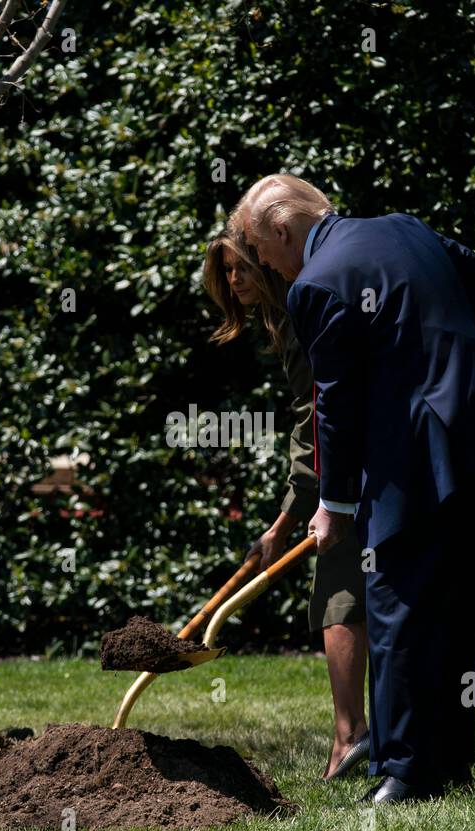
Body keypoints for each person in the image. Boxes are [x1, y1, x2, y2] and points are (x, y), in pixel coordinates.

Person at [235, 174, 475, 804]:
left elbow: (334, 404)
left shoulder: (314, 284)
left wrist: (334, 505)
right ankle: (449, 760)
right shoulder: (403, 226)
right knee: (457, 604)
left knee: (396, 603)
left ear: (284, 232)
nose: (263, 263)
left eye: (261, 249)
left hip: (414, 457)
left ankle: (405, 771)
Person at [202, 227, 370, 781]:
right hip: (364, 463)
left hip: (355, 471)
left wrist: (288, 519)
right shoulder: (288, 314)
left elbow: (315, 417)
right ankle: (374, 733)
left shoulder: (301, 311)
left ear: (268, 263)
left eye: (242, 268)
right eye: (226, 272)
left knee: (339, 597)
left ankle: (352, 737)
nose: (233, 280)